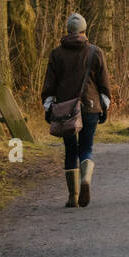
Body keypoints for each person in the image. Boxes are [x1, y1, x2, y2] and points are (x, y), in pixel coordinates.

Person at [41, 13, 111, 208]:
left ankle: (73, 196)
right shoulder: (96, 52)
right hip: (90, 107)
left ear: (67, 31)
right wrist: (104, 105)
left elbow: (49, 86)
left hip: (65, 109)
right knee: (86, 147)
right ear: (84, 30)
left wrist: (49, 107)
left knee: (70, 150)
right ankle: (86, 179)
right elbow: (104, 85)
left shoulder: (57, 54)